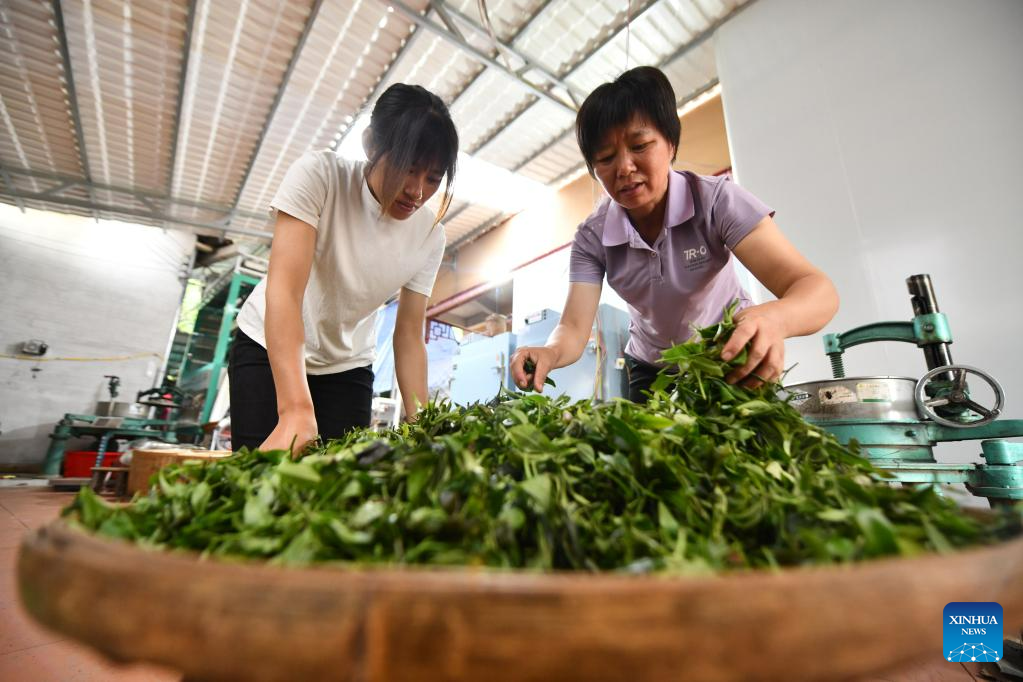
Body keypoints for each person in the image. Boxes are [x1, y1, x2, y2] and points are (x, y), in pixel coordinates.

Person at [510, 66, 838, 402]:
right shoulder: (591, 238)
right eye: (606, 158)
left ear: (670, 143)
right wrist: (550, 352)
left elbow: (818, 291)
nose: (623, 167)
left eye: (639, 145)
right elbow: (574, 329)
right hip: (650, 368)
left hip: (724, 357)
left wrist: (773, 318)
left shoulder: (716, 201)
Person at [229, 83, 459, 453]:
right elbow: (285, 292)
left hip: (347, 368)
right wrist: (294, 409)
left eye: (433, 178)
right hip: (269, 350)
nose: (417, 191)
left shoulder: (430, 235)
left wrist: (422, 423)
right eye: (408, 168)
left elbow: (409, 335)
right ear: (371, 145)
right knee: (261, 481)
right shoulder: (320, 177)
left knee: (335, 492)